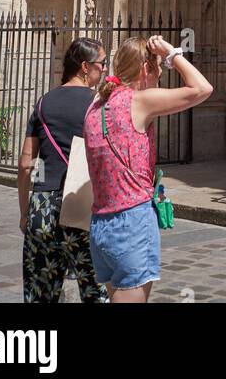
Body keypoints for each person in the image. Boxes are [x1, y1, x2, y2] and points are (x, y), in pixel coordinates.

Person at [83, 35, 212, 303]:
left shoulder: (95, 104)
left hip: (101, 224)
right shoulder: (138, 101)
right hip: (131, 223)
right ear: (145, 69)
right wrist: (171, 53)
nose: (160, 79)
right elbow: (202, 88)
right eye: (159, 72)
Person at [18, 38, 109, 304]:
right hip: (84, 207)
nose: (104, 70)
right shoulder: (99, 104)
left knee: (40, 293)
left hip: (43, 206)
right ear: (84, 66)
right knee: (95, 291)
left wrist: (25, 213)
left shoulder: (44, 102)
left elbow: (26, 165)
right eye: (101, 64)